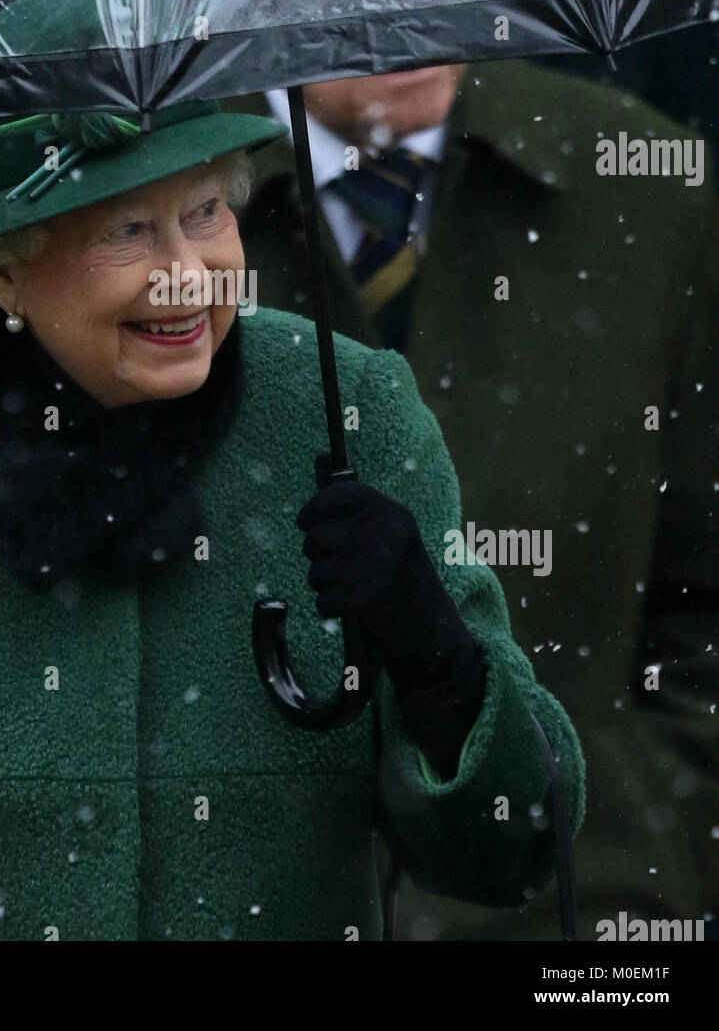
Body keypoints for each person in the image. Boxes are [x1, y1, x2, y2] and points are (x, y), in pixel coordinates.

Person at [0, 0, 584, 939]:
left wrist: (435, 654)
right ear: (3, 268)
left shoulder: (348, 410)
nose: (188, 273)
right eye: (127, 230)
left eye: (206, 211)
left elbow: (513, 854)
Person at [225, 58, 719, 940]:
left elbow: (703, 592)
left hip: (585, 917)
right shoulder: (145, 209)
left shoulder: (646, 177)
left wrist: (655, 839)